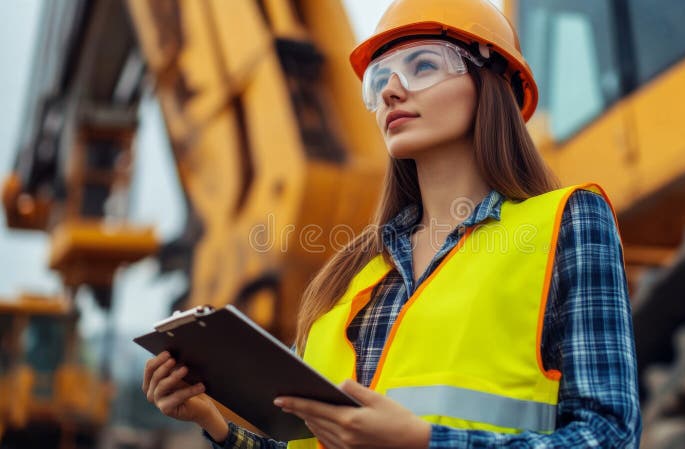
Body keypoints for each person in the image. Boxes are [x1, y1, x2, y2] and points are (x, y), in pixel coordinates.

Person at [142, 0, 642, 447]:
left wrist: (426, 443)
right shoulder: (347, 277)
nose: (391, 92)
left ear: (491, 82)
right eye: (379, 80)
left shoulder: (567, 224)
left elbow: (609, 434)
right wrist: (215, 425)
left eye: (423, 65)